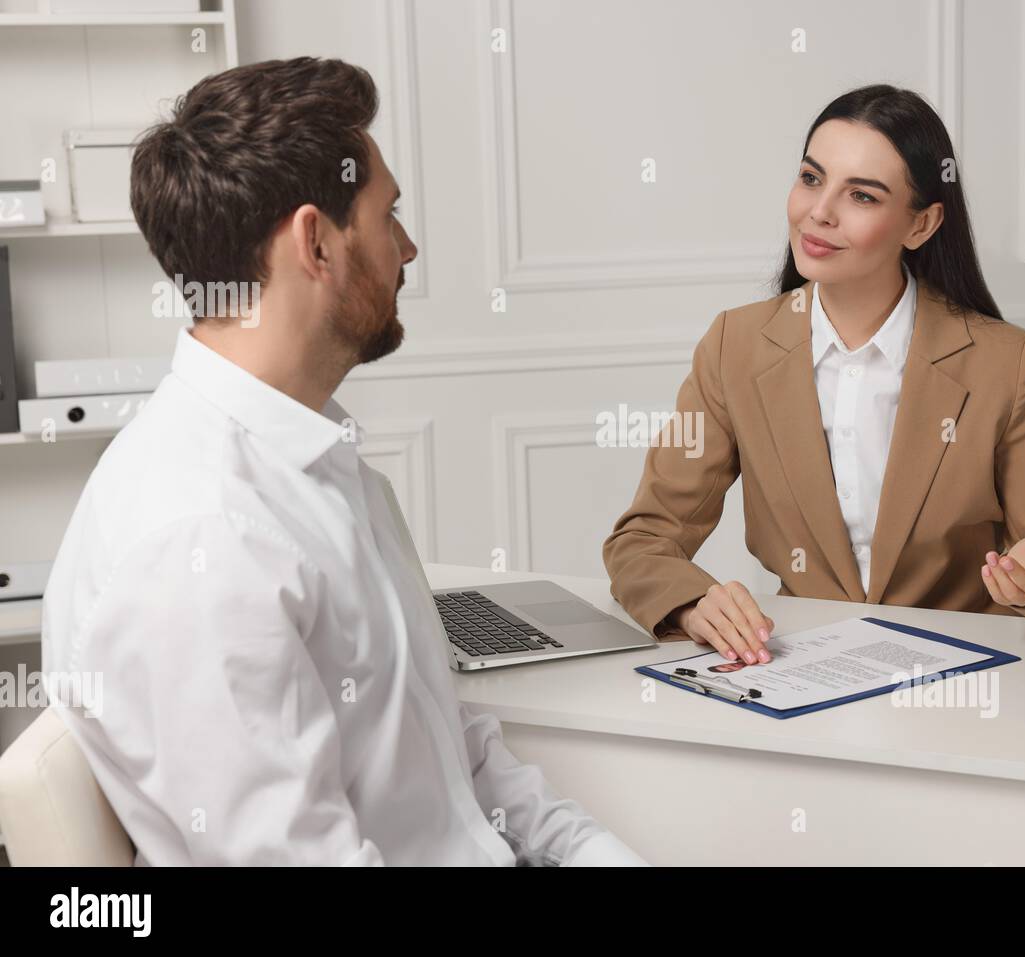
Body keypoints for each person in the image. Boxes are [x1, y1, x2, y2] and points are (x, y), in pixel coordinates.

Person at [41, 57, 646, 866]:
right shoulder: (202, 542)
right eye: (387, 215)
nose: (408, 247)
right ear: (316, 242)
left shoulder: (316, 456)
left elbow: (447, 757)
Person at [603, 85, 1025, 666]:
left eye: (863, 196)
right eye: (811, 178)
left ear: (921, 224)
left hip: (964, 680)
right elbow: (644, 538)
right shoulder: (735, 346)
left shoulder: (1010, 362)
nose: (820, 211)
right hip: (799, 669)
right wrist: (693, 603)